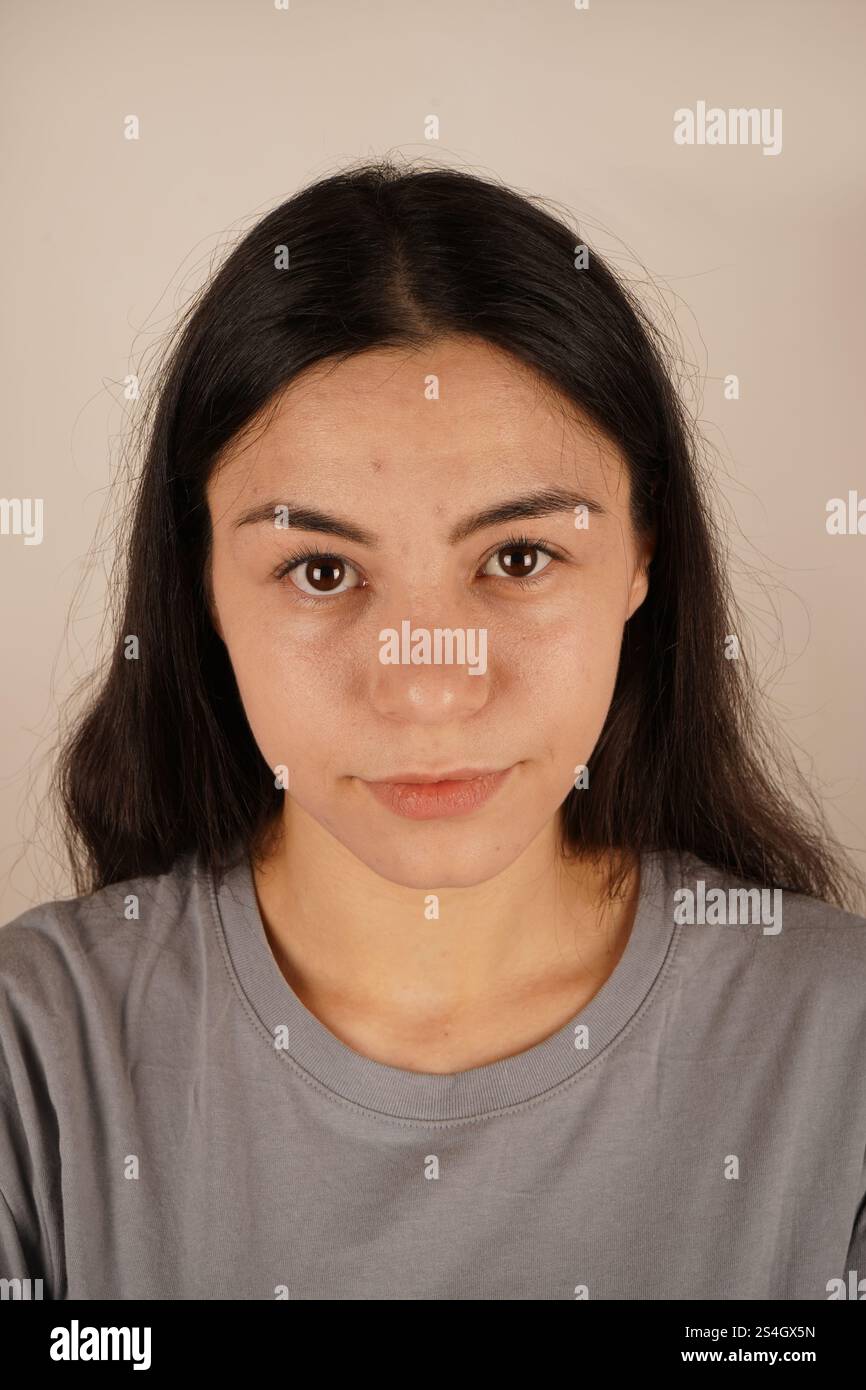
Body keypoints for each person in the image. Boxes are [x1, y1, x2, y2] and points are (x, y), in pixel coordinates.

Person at [1, 161, 864, 1301]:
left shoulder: (839, 1055)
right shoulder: (34, 1061)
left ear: (642, 558)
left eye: (516, 559)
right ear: (200, 580)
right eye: (319, 570)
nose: (427, 689)